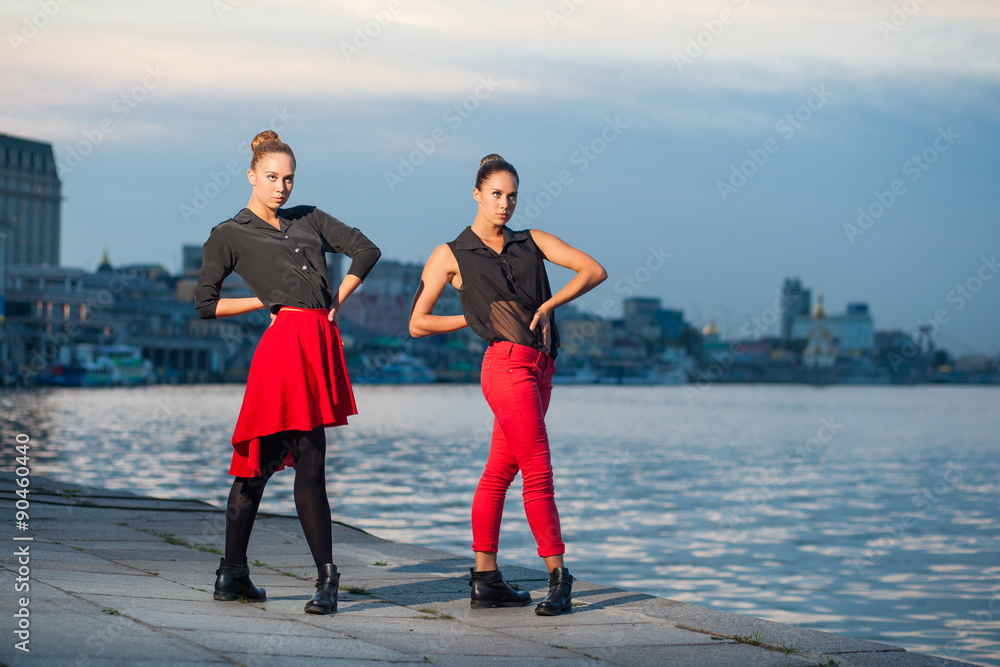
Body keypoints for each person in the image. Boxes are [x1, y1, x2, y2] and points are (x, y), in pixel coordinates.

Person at [409, 154, 606, 615]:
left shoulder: (531, 241)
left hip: (541, 368)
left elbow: (593, 270)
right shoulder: (451, 254)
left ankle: (486, 579)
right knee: (539, 472)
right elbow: (417, 323)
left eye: (512, 195)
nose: (505, 204)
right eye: (496, 194)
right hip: (505, 366)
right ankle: (559, 577)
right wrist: (472, 317)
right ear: (477, 194)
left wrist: (549, 304)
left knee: (501, 471)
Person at [196, 130, 380, 614]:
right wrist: (264, 301)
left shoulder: (310, 218)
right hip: (282, 350)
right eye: (272, 177)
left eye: (289, 179)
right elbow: (205, 305)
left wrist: (337, 301)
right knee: (283, 463)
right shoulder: (228, 233)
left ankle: (232, 575)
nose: (281, 187)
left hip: (318, 342)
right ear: (252, 176)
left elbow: (366, 250)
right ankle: (325, 579)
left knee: (275, 466)